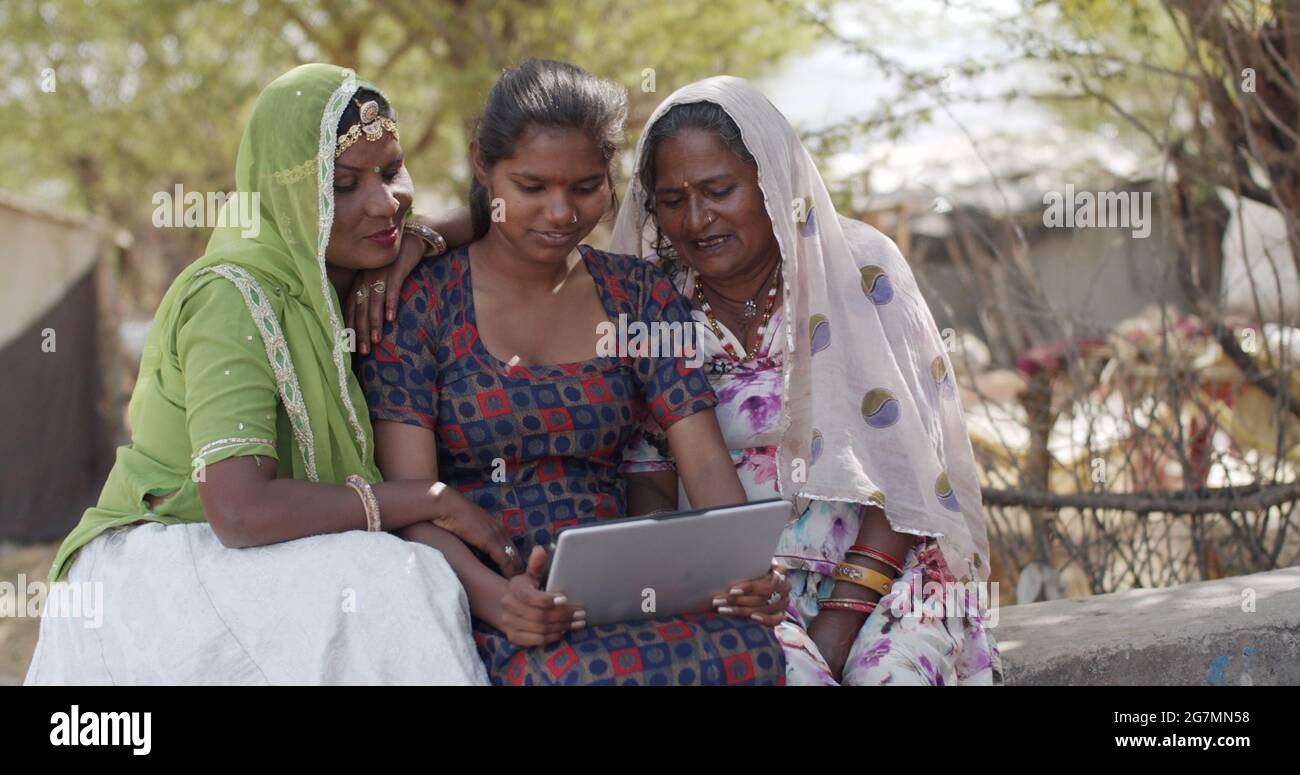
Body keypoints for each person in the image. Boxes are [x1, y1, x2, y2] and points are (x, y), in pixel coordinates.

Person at [25, 64, 508, 685]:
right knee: (396, 583)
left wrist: (417, 238)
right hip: (174, 562)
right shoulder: (233, 297)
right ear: (286, 194)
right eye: (342, 184)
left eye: (391, 172)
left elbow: (500, 211)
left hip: (274, 550)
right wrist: (427, 498)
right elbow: (240, 512)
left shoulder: (351, 275)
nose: (383, 202)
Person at [359, 59, 788, 685]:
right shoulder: (421, 301)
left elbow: (701, 457)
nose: (560, 212)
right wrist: (496, 600)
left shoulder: (637, 295)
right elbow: (414, 501)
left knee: (750, 653)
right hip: (480, 581)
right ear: (484, 164)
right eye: (532, 187)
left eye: (585, 187)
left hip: (618, 585)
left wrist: (745, 569)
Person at [612, 77, 1003, 685]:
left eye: (719, 190)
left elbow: (906, 473)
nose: (696, 219)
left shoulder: (856, 271)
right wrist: (717, 576)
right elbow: (648, 478)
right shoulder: (654, 303)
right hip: (734, 589)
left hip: (883, 573)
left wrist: (839, 621)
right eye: (671, 200)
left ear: (772, 179)